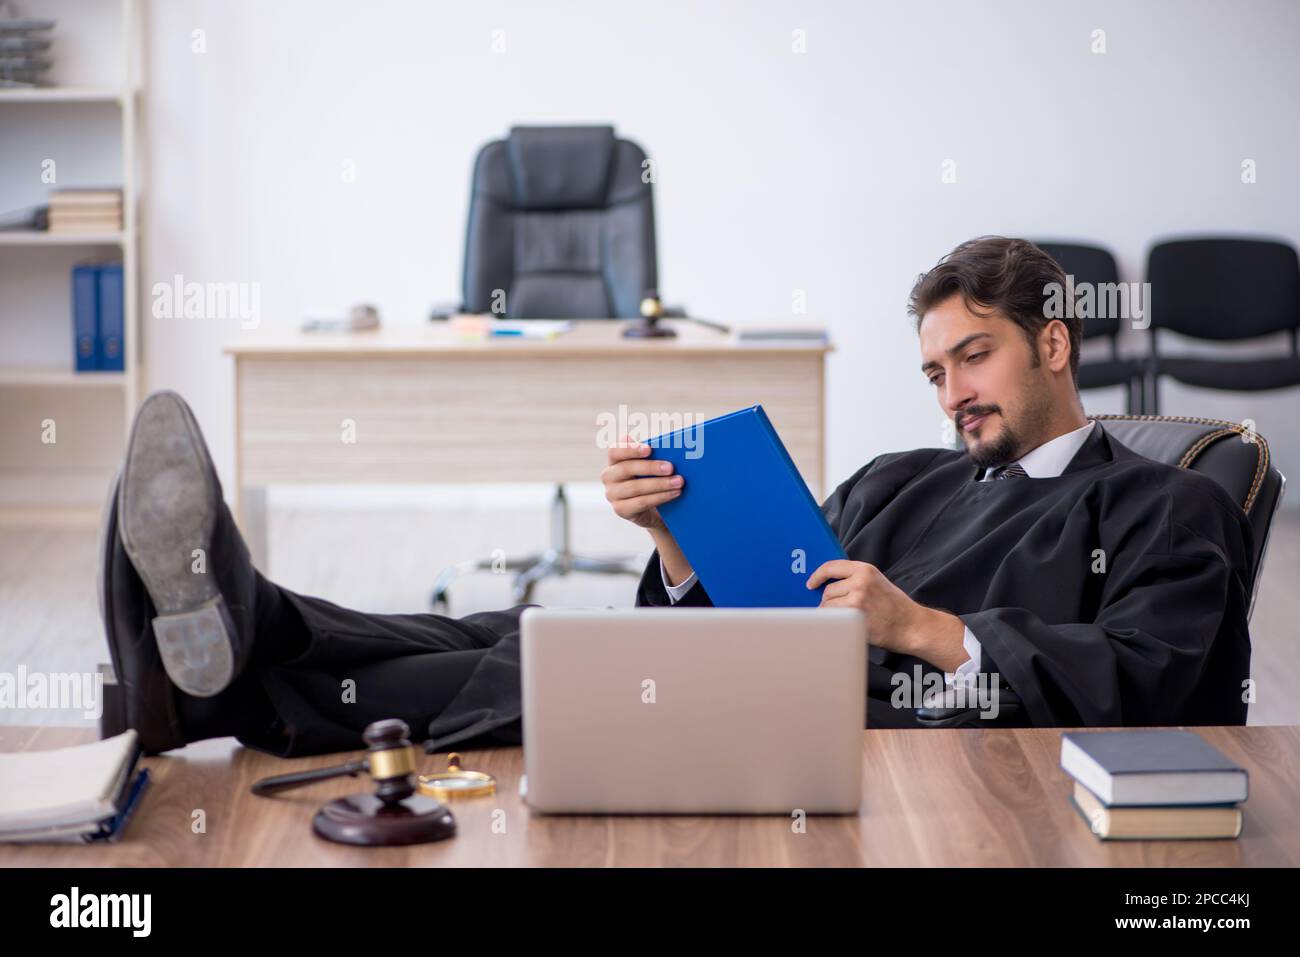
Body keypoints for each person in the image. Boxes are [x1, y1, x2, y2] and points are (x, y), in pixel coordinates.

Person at [101, 236, 1253, 758]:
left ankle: (215, 659)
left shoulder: (1165, 506)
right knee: (495, 635)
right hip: (757, 670)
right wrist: (677, 544)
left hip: (857, 728)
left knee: (517, 669)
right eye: (935, 371)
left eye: (974, 357)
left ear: (1056, 343)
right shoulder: (903, 479)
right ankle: (220, 662)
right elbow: (765, 600)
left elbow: (1146, 687)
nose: (951, 392)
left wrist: (922, 630)